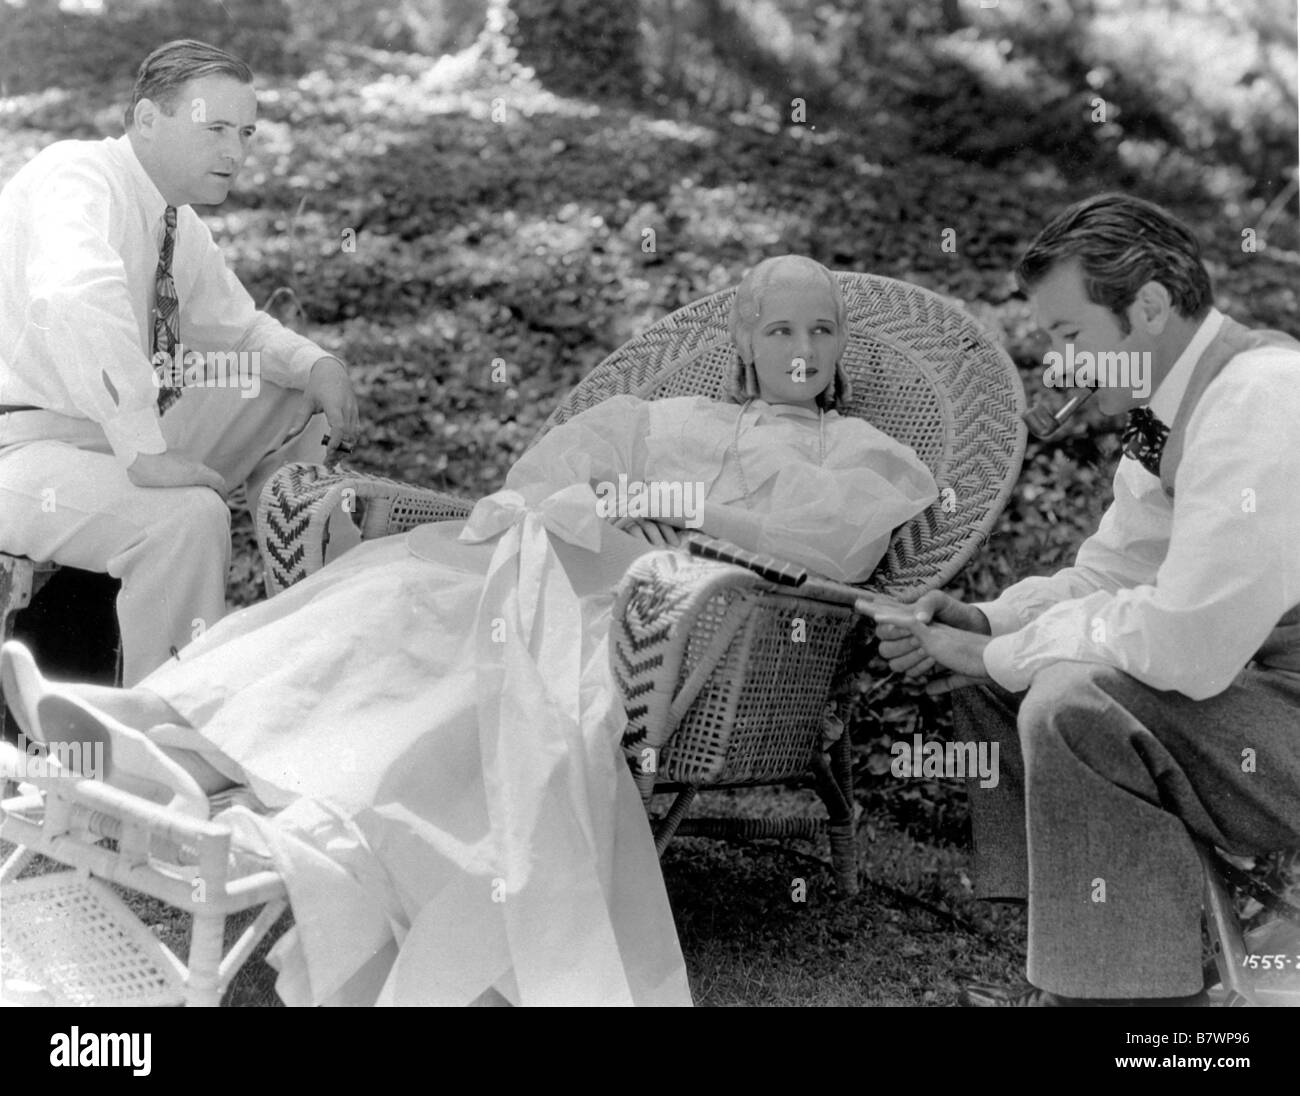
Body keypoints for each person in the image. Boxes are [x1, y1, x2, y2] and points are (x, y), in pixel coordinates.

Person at [3, 255, 937, 1006]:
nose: (802, 347)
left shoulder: (867, 458)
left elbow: (828, 559)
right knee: (388, 595)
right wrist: (599, 501)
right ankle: (156, 732)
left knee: (490, 671)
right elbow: (535, 483)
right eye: (780, 328)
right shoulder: (655, 419)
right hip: (541, 558)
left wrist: (674, 526)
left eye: (821, 328)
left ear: (843, 343)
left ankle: (222, 772)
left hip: (667, 616)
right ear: (742, 339)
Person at [872, 194, 1300, 1006]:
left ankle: (1134, 1010)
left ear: (1147, 307)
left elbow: (1186, 649)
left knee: (1073, 701)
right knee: (1003, 679)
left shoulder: (1262, 400)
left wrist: (1008, 650)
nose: (1060, 370)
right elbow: (1111, 574)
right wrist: (989, 627)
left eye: (1071, 339)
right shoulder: (1169, 413)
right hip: (1266, 701)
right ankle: (1110, 953)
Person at [0, 39, 361, 685]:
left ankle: (292, 529)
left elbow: (239, 329)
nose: (236, 152)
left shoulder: (176, 221)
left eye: (246, 132)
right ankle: (163, 727)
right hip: (19, 449)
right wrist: (143, 450)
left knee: (279, 382)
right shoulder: (78, 174)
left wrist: (315, 365)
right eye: (215, 127)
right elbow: (77, 294)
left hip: (98, 436)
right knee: (187, 519)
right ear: (147, 119)